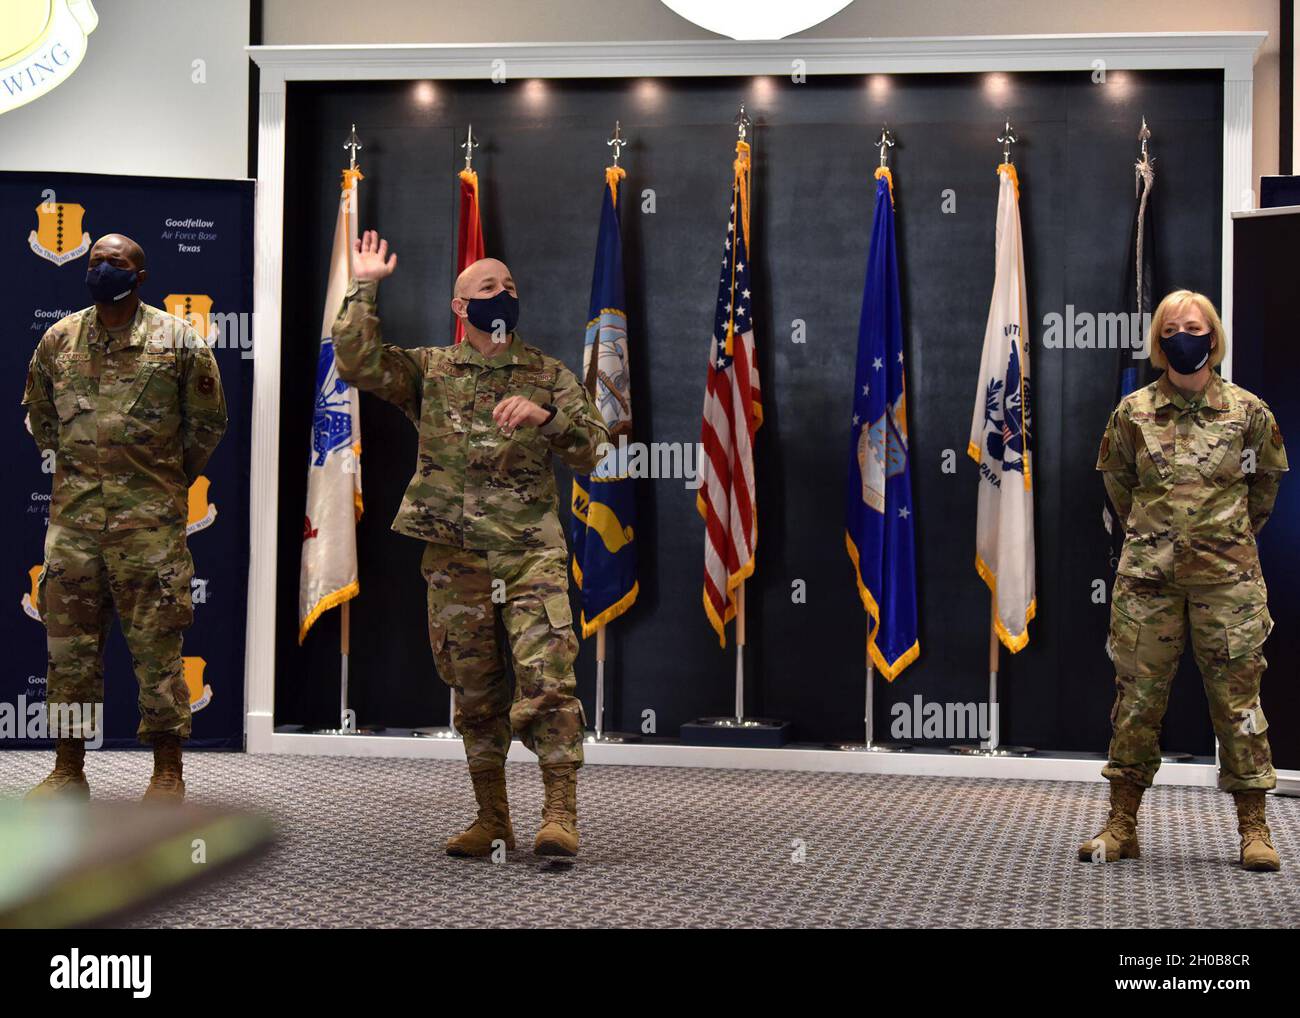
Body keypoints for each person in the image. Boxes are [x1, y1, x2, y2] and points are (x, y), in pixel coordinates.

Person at [332, 230, 609, 858]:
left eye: (509, 286)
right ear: (461, 308)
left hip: (528, 551)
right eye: (488, 286)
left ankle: (559, 815)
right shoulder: (431, 370)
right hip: (455, 558)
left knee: (547, 682)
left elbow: (597, 450)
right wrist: (364, 286)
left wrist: (547, 417)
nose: (503, 293)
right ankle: (493, 819)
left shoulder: (547, 373)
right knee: (475, 691)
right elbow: (354, 361)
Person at [1082, 289, 1288, 870]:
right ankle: (1121, 824)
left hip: (1228, 584)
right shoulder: (1133, 412)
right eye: (1171, 327)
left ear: (1213, 335)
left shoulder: (1250, 412)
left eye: (1193, 326)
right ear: (1158, 339)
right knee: (1136, 704)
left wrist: (1223, 538)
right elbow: (1119, 487)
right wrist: (1160, 539)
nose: (1183, 334)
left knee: (1238, 705)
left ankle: (1255, 830)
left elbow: (1265, 489)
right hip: (1149, 583)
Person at [22, 233, 228, 802]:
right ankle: (68, 770)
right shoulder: (58, 340)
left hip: (150, 529)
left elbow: (206, 426)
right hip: (75, 526)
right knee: (70, 654)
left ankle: (167, 773)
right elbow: (41, 420)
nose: (103, 269)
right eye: (96, 261)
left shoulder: (178, 341)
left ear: (140, 275)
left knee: (158, 650)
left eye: (117, 263)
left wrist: (157, 481)